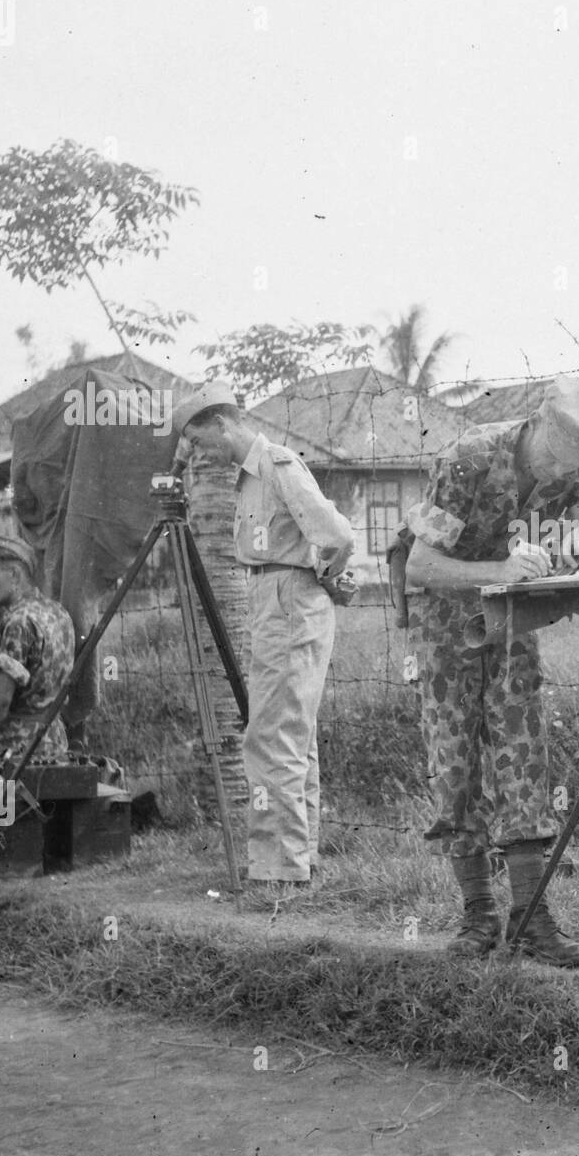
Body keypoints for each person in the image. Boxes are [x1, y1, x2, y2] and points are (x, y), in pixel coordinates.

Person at [403, 376, 579, 967]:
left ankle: (531, 919)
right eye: (555, 457)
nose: (562, 473)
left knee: (523, 753)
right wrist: (497, 568)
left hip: (512, 621)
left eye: (574, 463)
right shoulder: (469, 458)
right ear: (536, 423)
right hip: (447, 620)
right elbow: (421, 566)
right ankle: (478, 916)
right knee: (455, 762)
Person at [173, 382, 356, 897]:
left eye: (197, 439)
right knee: (288, 732)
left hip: (289, 599)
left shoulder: (276, 466)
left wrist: (322, 575)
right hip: (272, 598)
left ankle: (280, 870)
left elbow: (337, 536)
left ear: (221, 424)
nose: (197, 451)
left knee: (272, 735)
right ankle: (298, 861)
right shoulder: (247, 480)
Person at [0, 536, 75, 780]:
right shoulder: (56, 612)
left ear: (15, 576)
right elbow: (0, 625)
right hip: (52, 744)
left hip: (14, 754)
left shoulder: (19, 623)